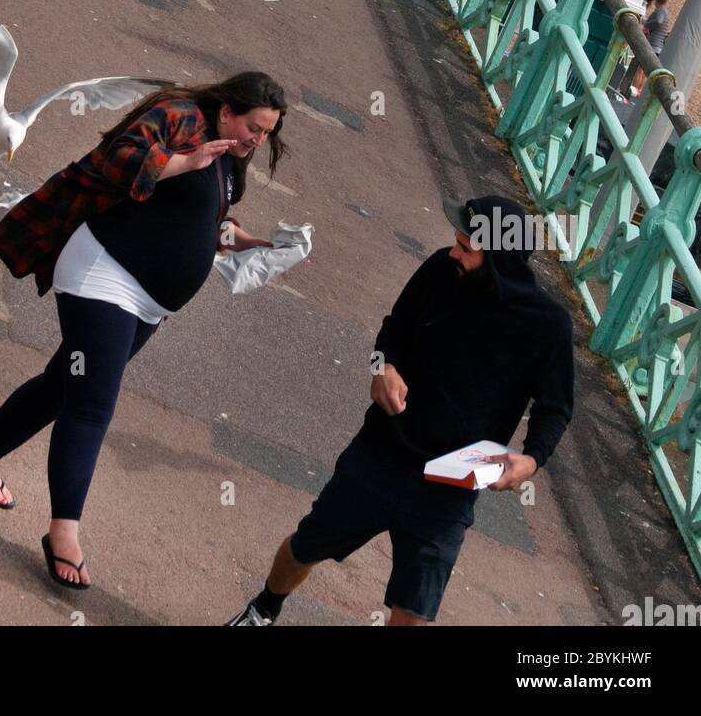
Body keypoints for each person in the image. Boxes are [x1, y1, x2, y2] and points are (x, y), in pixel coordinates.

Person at [0, 72, 286, 589]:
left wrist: (251, 243)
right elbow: (118, 155)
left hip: (148, 304)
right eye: (254, 127)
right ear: (226, 111)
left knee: (61, 384)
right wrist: (184, 160)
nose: (257, 140)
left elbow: (204, 218)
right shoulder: (183, 118)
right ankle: (64, 533)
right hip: (103, 272)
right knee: (92, 403)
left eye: (267, 133)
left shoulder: (228, 160)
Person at [226, 195, 574, 627]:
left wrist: (532, 458)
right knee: (307, 545)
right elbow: (392, 329)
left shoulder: (548, 326)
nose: (453, 252)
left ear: (500, 258)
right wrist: (382, 368)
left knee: (415, 610)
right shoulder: (438, 271)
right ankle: (263, 610)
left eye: (466, 248)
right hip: (382, 451)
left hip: (452, 481)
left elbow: (555, 407)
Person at [630, 0, 671, 98]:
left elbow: (658, 21)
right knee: (645, 70)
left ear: (657, 1)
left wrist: (647, 25)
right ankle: (638, 92)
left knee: (640, 69)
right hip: (657, 47)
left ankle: (634, 91)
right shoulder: (665, 12)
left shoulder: (661, 11)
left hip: (652, 45)